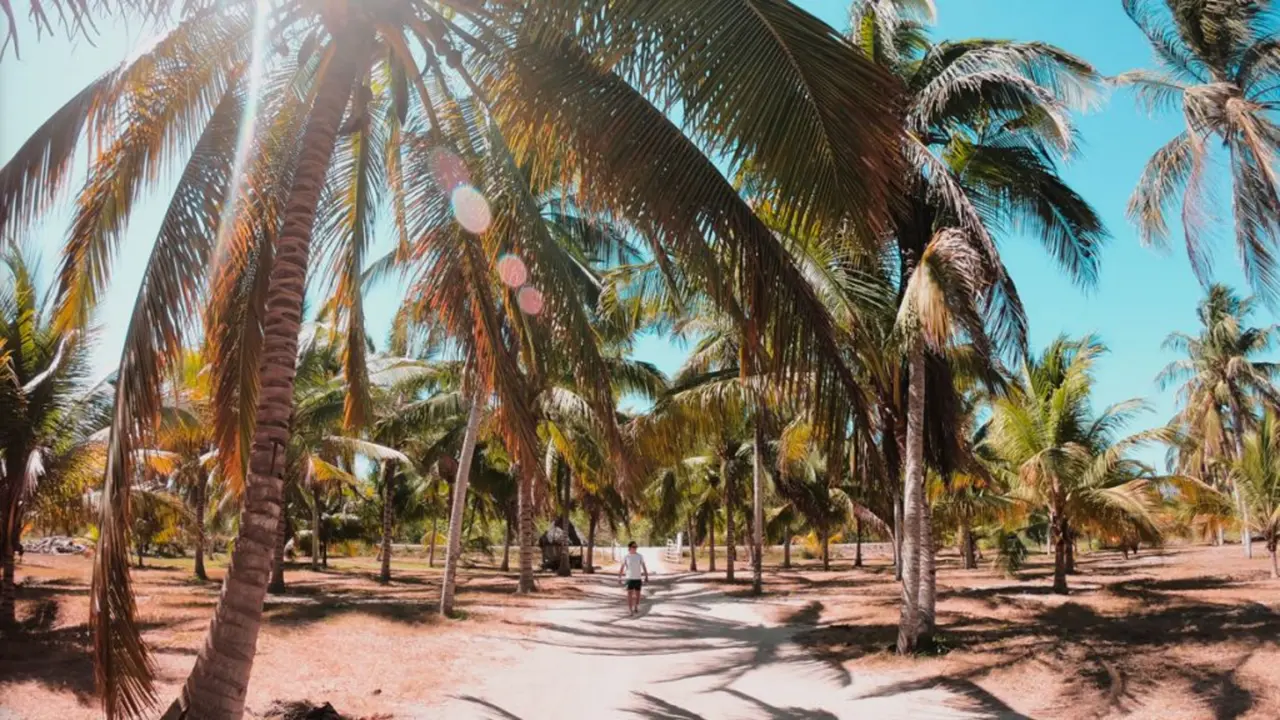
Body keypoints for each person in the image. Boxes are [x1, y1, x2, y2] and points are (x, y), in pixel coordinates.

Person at [618, 541, 649, 615]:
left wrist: (646, 576)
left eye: (636, 547)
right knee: (629, 594)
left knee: (638, 594)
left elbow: (643, 566)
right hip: (629, 578)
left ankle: (636, 606)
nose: (635, 548)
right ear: (629, 548)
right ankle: (630, 609)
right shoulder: (626, 557)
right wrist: (619, 577)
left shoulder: (639, 556)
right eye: (634, 547)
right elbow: (622, 567)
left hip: (638, 578)